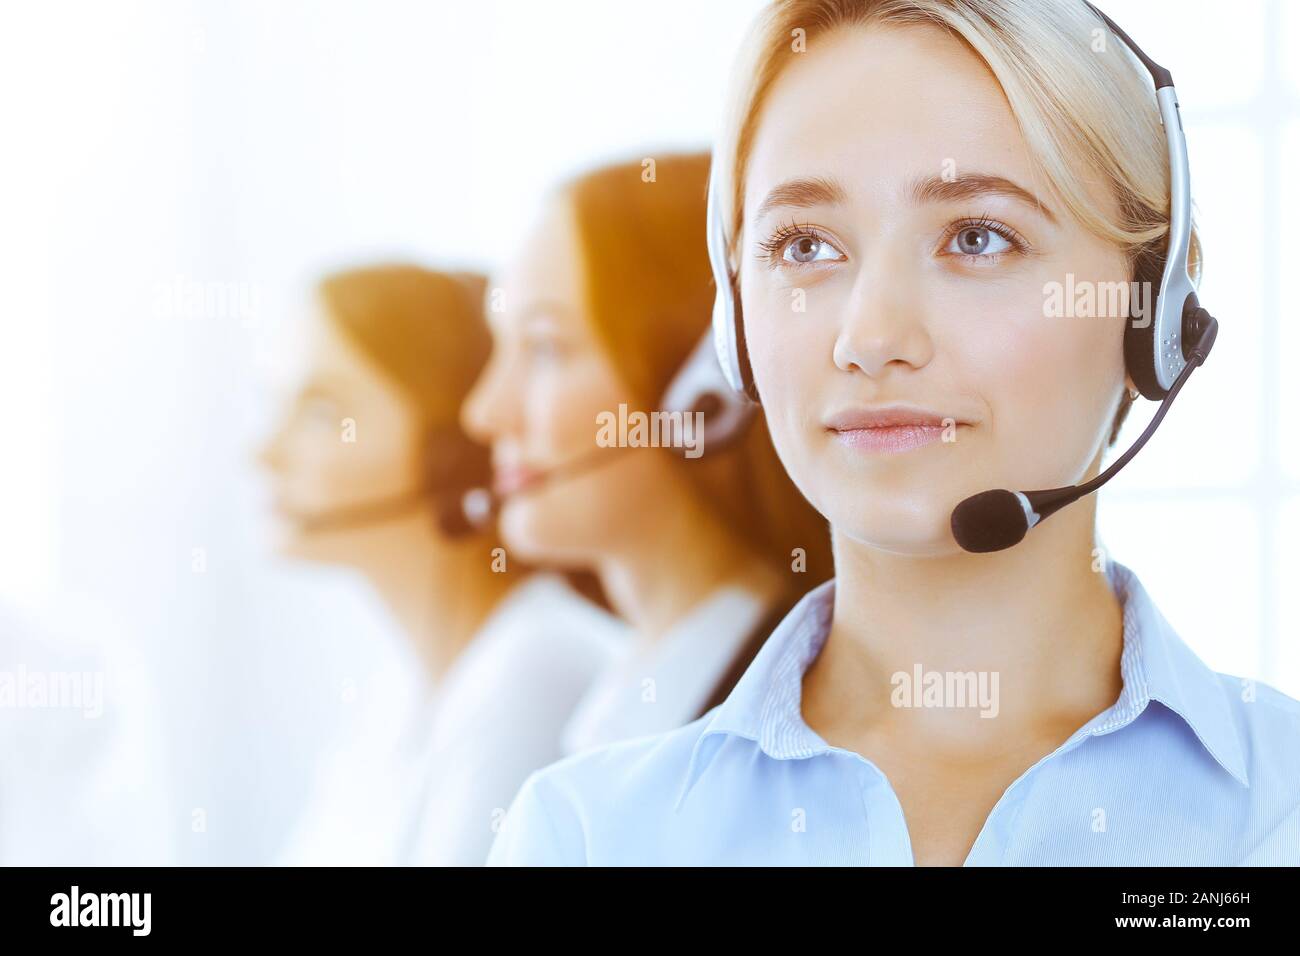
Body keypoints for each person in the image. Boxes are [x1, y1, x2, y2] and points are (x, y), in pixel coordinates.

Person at [487, 0, 1300, 866]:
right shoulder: (589, 835)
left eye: (978, 237)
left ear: (1157, 307)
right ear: (735, 321)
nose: (871, 338)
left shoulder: (1277, 808)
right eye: (804, 246)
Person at [461, 153, 833, 758]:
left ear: (707, 382)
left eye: (546, 348)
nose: (483, 412)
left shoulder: (781, 714)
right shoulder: (633, 690)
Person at [258, 263, 620, 865]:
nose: (264, 453)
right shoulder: (399, 692)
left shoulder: (535, 668)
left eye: (322, 413)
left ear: (450, 454)